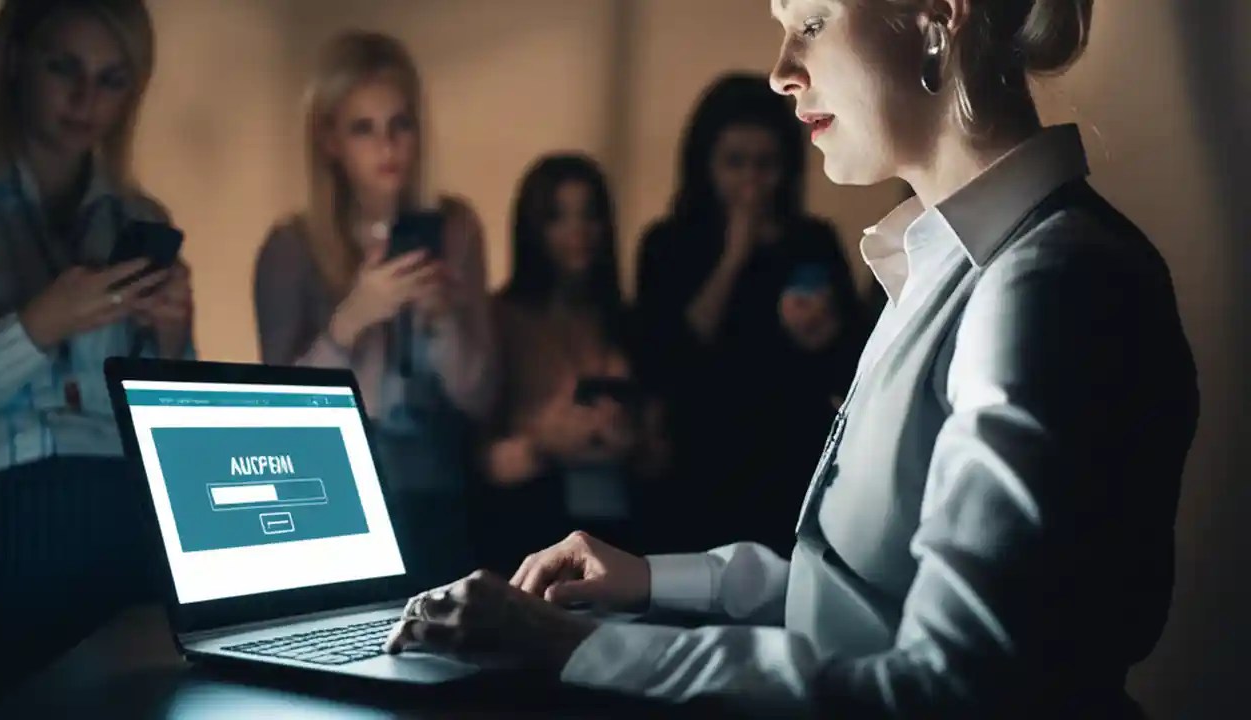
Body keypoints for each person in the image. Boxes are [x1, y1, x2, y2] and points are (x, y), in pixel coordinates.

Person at [381, 1, 1200, 717]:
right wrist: (650, 580)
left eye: (809, 23)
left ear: (937, 19)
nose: (780, 73)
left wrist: (572, 649)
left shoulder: (1048, 282)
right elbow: (864, 599)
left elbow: (955, 689)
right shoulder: (935, 263)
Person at [0, 0, 194, 698]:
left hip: (122, 505)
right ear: (14, 64)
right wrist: (36, 325)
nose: (85, 98)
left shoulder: (144, 219)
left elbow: (174, 417)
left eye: (112, 77)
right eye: (64, 67)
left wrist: (172, 335)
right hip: (0, 508)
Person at [253, 31, 492, 582]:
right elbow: (275, 413)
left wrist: (442, 321)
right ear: (330, 139)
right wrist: (350, 320)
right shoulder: (292, 247)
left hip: (440, 485)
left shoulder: (455, 229)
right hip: (337, 492)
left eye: (400, 124)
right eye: (364, 128)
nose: (388, 147)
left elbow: (480, 395)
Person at [634, 73, 862, 555]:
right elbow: (666, 356)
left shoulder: (813, 241)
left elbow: (852, 362)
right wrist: (734, 256)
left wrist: (823, 334)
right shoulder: (669, 244)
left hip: (791, 459)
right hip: (697, 464)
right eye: (735, 164)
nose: (751, 182)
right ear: (706, 164)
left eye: (766, 165)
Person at [483, 154, 667, 565]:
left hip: (623, 530)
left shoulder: (626, 321)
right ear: (534, 227)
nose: (578, 232)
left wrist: (632, 441)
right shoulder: (501, 318)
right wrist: (545, 442)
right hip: (531, 525)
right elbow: (477, 463)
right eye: (558, 217)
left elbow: (660, 453)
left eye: (590, 214)